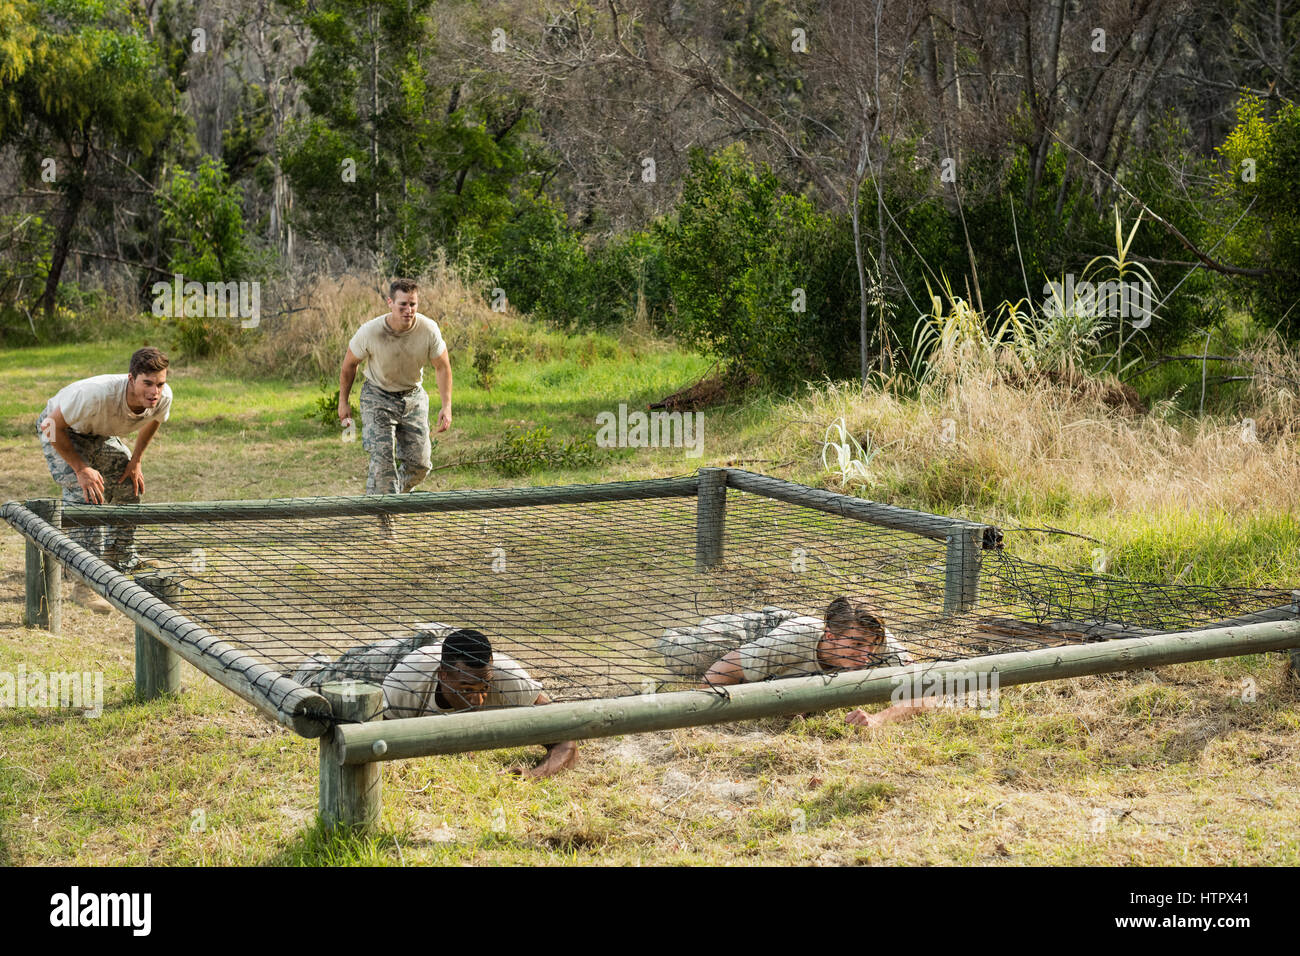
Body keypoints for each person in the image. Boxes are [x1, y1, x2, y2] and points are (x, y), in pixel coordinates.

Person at [294, 624, 578, 778]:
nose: (478, 698)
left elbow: (566, 739)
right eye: (466, 688)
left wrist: (534, 775)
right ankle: (313, 662)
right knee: (315, 687)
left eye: (485, 686)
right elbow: (375, 744)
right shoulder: (404, 685)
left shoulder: (509, 678)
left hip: (446, 644)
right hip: (398, 659)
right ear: (443, 675)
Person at [658, 596, 939, 729]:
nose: (867, 655)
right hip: (763, 629)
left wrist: (879, 720)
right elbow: (716, 675)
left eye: (871, 645)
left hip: (793, 632)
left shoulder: (880, 643)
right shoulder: (789, 641)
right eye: (856, 645)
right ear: (830, 635)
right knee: (680, 654)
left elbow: (928, 692)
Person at [36, 347, 172, 612]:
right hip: (62, 430)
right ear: (131, 379)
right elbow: (50, 426)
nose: (154, 391)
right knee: (87, 497)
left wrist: (136, 460)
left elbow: (154, 420)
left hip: (99, 432)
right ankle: (83, 584)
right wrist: (80, 468)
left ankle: (119, 559)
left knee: (128, 487)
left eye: (160, 384)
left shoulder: (162, 397)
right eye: (147, 383)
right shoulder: (96, 395)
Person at [337, 279, 452, 536]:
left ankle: (377, 496)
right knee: (384, 460)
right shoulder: (370, 331)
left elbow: (442, 366)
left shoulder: (428, 330)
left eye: (413, 304)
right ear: (390, 303)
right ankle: (386, 520)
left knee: (421, 465)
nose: (408, 310)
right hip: (377, 397)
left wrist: (447, 406)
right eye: (402, 305)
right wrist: (343, 402)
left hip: (413, 397)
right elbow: (349, 365)